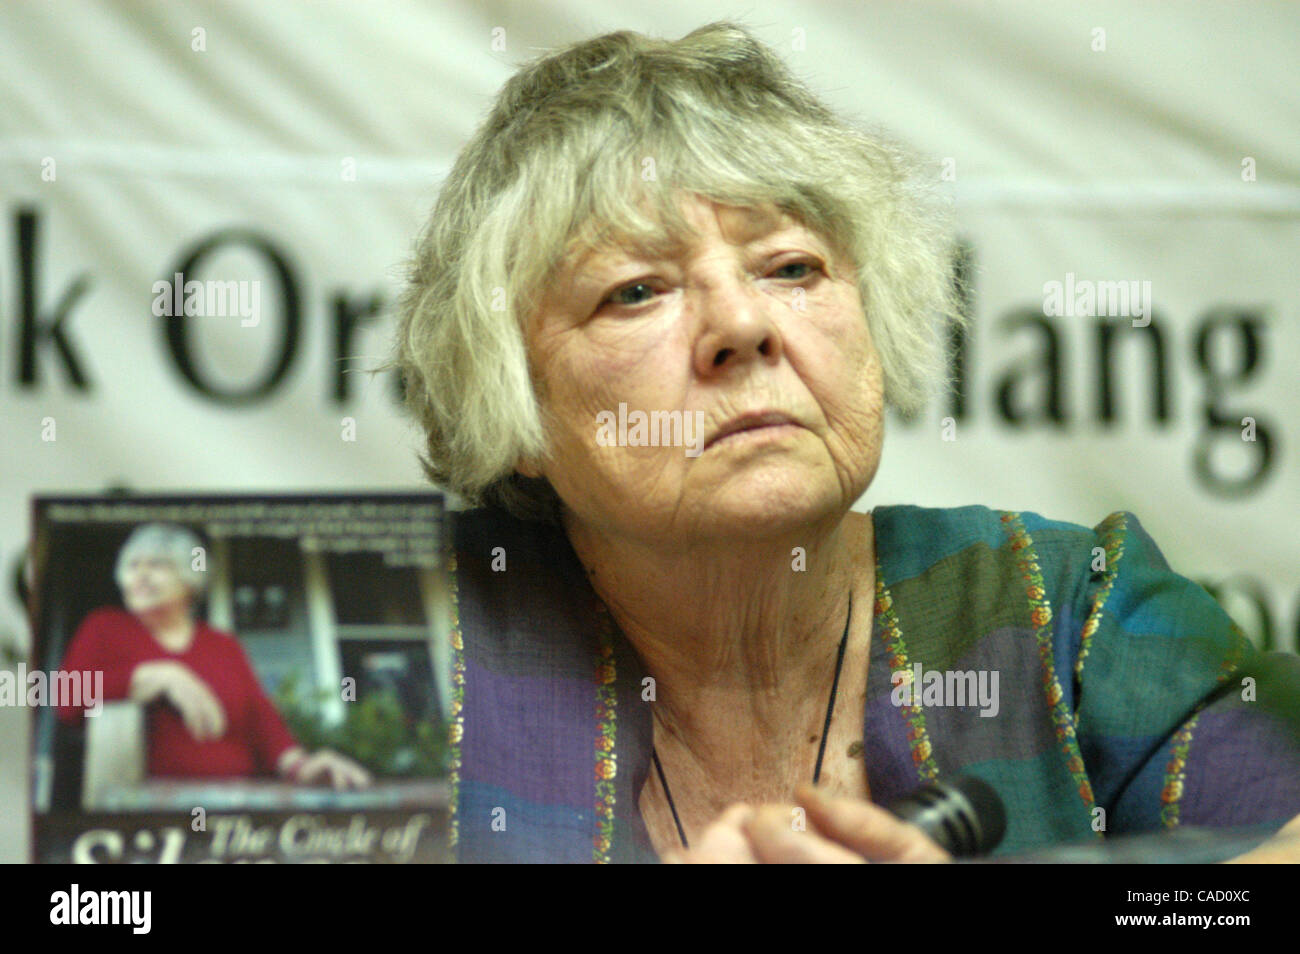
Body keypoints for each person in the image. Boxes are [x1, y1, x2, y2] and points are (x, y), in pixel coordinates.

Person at [391, 21, 1300, 862]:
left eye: (792, 267)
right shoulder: (382, 639)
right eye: (636, 290)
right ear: (509, 405)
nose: (743, 323)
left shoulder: (1068, 612)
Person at [57, 523, 371, 790]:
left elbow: (260, 719)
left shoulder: (222, 644)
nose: (140, 575)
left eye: (157, 565)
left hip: (235, 803)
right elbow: (65, 698)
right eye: (132, 565)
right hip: (145, 809)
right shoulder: (105, 626)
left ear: (190, 579)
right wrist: (155, 676)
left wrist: (301, 765)